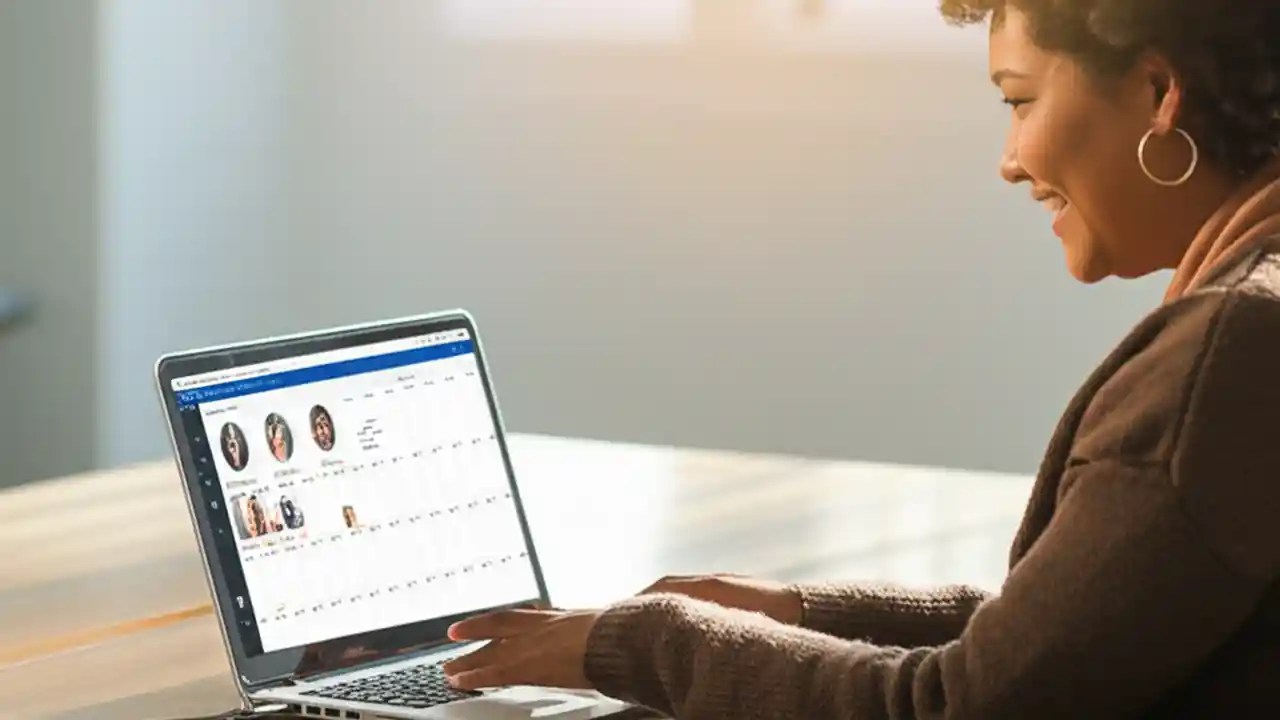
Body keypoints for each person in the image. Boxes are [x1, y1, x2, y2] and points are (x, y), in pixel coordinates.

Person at [440, 3, 1280, 718]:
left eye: (1020, 100)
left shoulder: (1225, 357)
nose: (1009, 160)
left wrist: (649, 642)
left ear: (1159, 93)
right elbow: (1064, 647)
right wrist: (801, 613)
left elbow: (958, 706)